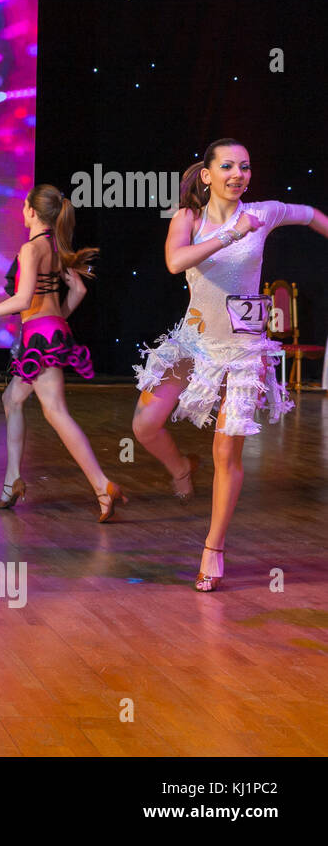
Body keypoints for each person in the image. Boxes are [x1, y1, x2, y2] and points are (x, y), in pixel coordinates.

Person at [131, 138, 328, 591]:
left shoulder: (265, 212)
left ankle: (213, 547)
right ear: (207, 174)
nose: (238, 174)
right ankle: (181, 467)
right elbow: (175, 262)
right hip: (194, 342)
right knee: (144, 424)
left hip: (242, 349)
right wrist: (230, 234)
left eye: (245, 166)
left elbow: (310, 213)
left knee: (226, 452)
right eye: (227, 166)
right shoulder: (190, 218)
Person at [0, 184, 124, 521]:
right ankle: (12, 480)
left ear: (30, 210)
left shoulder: (32, 249)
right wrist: (53, 328)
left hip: (40, 337)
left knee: (55, 411)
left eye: (24, 205)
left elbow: (23, 300)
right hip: (45, 333)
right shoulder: (54, 247)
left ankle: (103, 486)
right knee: (11, 400)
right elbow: (79, 290)